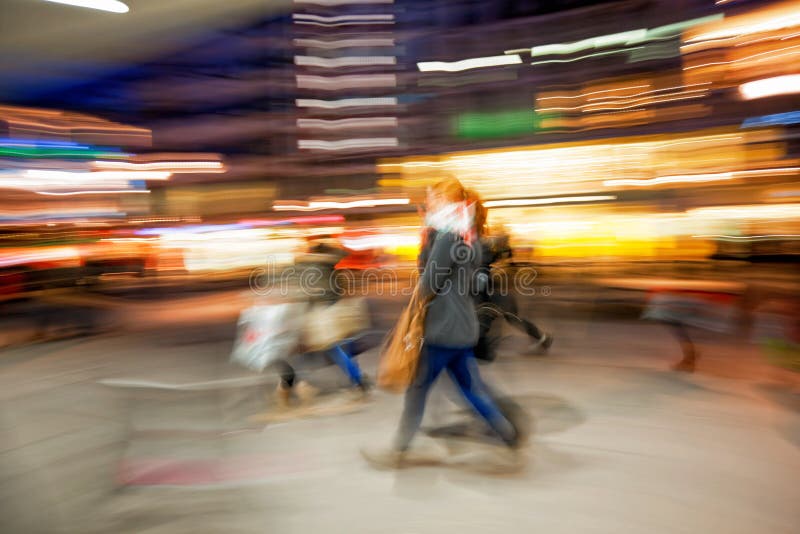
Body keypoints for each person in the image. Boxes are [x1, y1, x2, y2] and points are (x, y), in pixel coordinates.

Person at [362, 178, 519, 468]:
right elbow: (471, 281)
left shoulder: (447, 236)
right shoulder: (469, 236)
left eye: (432, 198)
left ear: (445, 201)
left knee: (418, 390)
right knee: (470, 389)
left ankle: (398, 451)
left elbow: (428, 283)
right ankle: (507, 436)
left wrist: (427, 241)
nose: (427, 203)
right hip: (463, 328)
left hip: (442, 329)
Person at [467, 195, 553, 360]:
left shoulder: (480, 241)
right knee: (508, 318)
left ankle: (482, 349)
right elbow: (502, 257)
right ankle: (542, 338)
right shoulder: (486, 242)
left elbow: (486, 260)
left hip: (489, 289)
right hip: (493, 289)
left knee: (488, 316)